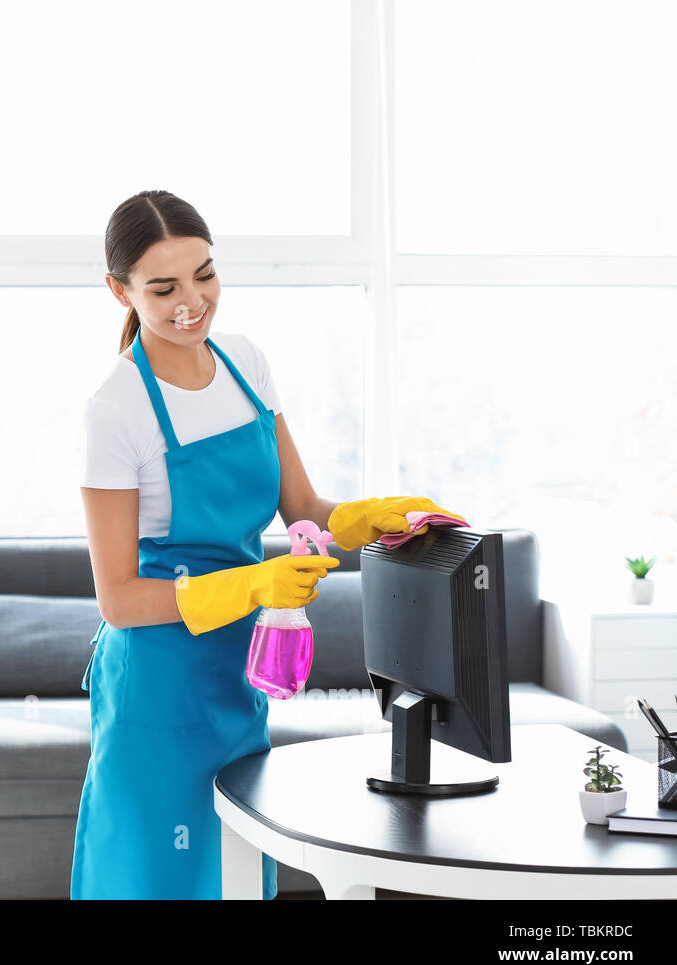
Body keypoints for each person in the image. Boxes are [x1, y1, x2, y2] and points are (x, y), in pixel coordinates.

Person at [70, 190, 463, 900]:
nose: (192, 300)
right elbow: (119, 600)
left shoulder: (246, 363)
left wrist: (373, 516)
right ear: (118, 290)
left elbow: (304, 507)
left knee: (238, 876)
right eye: (163, 287)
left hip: (241, 670)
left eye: (205, 274)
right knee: (160, 880)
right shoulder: (115, 409)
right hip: (157, 690)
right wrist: (254, 584)